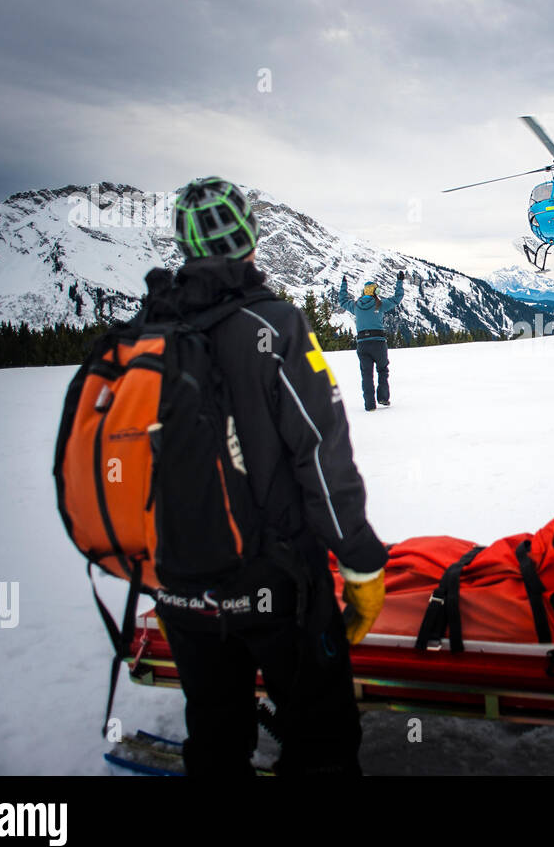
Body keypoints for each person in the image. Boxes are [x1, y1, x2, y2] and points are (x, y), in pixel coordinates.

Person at [157, 177, 388, 775]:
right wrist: (359, 560)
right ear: (252, 240)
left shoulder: (148, 332)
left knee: (213, 727)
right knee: (322, 733)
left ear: (183, 246)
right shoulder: (276, 325)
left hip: (180, 582)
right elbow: (320, 451)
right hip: (275, 577)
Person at [338, 271, 407, 411]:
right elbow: (397, 298)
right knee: (382, 370)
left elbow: (343, 301)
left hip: (362, 343)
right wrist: (399, 281)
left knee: (366, 374)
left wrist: (344, 285)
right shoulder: (379, 304)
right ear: (375, 292)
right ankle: (383, 397)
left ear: (364, 292)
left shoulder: (356, 305)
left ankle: (369, 405)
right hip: (378, 343)